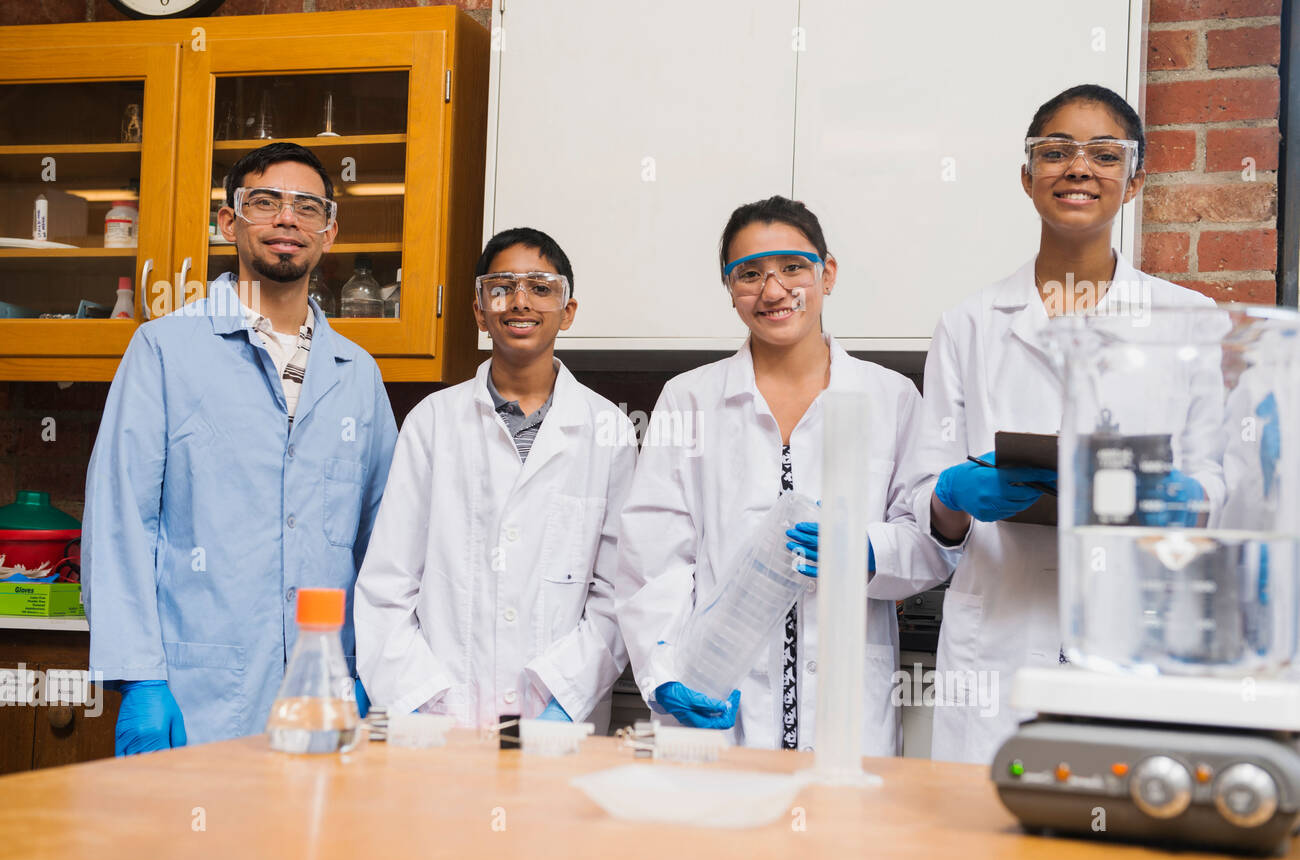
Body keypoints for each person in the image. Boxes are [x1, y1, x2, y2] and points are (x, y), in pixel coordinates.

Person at [912, 85, 1222, 764]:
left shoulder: (1190, 323)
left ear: (1134, 181)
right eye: (1055, 152)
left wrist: (1190, 500)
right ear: (1027, 179)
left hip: (1134, 630)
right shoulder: (968, 325)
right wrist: (952, 496)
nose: (1079, 167)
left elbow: (1216, 475)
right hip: (997, 633)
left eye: (1104, 154)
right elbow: (922, 499)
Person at [84, 142, 397, 753]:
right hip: (198, 694)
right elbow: (120, 522)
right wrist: (141, 677)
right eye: (266, 202)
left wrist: (372, 668)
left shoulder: (357, 373)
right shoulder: (164, 350)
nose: (288, 219)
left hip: (326, 692)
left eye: (308, 207)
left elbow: (385, 540)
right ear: (229, 222)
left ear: (329, 231)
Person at [616, 196, 955, 753]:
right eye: (749, 274)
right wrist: (665, 670)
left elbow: (930, 541)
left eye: (793, 268)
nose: (773, 291)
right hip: (719, 692)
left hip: (848, 710)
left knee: (840, 835)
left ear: (828, 273)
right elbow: (655, 559)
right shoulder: (689, 400)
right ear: (730, 290)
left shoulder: (889, 397)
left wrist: (866, 550)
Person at [353, 228, 637, 728]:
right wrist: (422, 699)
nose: (519, 301)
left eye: (541, 287)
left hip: (561, 719)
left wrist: (564, 699)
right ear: (480, 310)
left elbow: (617, 592)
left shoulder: (608, 430)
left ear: (568, 311)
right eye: (501, 287)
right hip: (443, 718)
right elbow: (387, 586)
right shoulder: (432, 421)